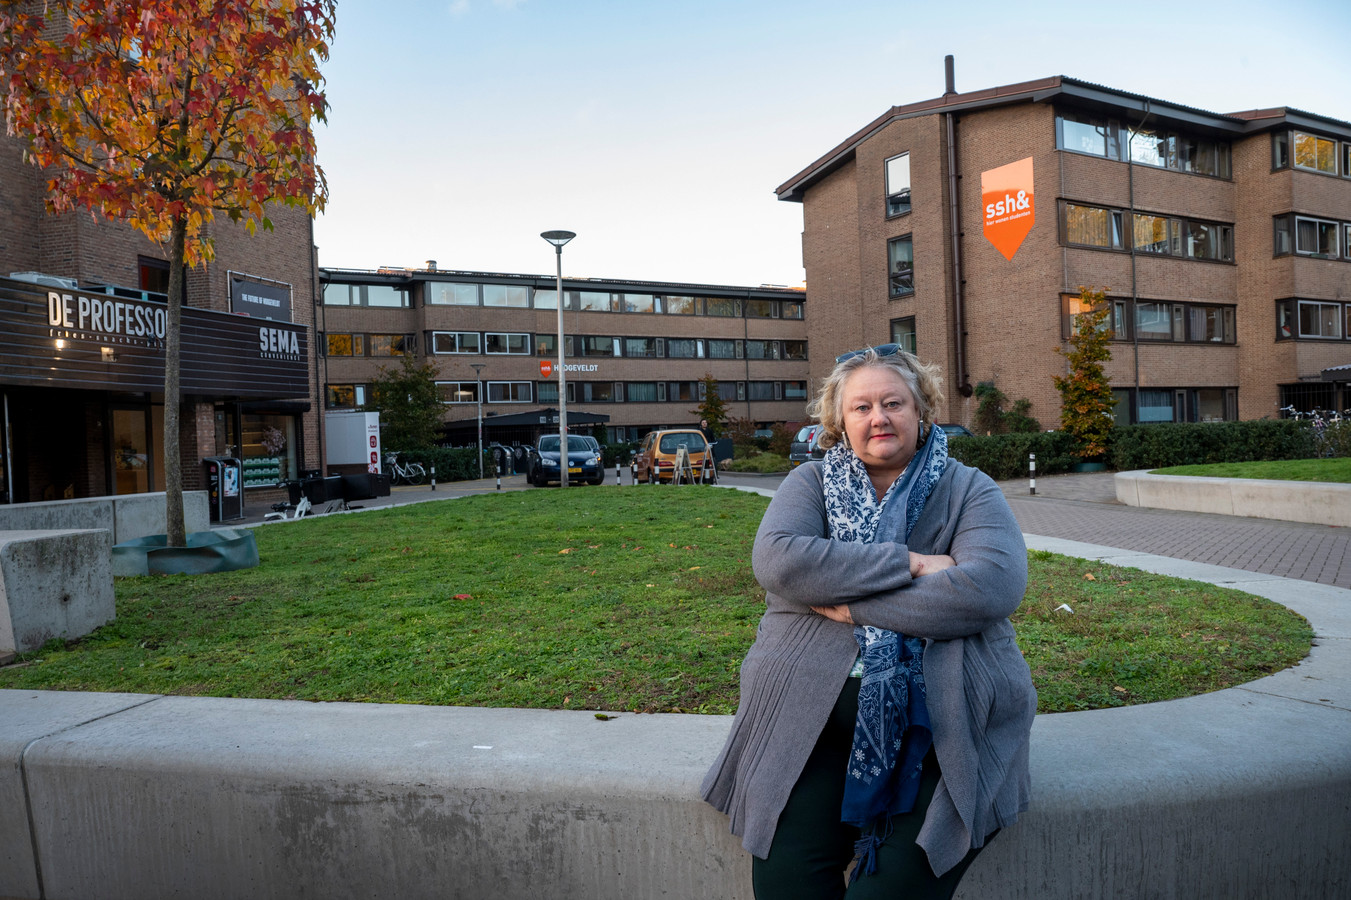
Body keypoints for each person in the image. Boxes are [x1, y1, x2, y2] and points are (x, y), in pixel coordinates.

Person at [701, 344, 1036, 899]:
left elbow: (988, 587)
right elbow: (783, 561)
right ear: (840, 422)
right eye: (861, 408)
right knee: (787, 885)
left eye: (892, 403)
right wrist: (911, 564)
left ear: (921, 410)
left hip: (942, 732)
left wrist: (854, 605)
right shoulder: (808, 486)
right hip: (812, 732)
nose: (878, 417)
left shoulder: (968, 486)